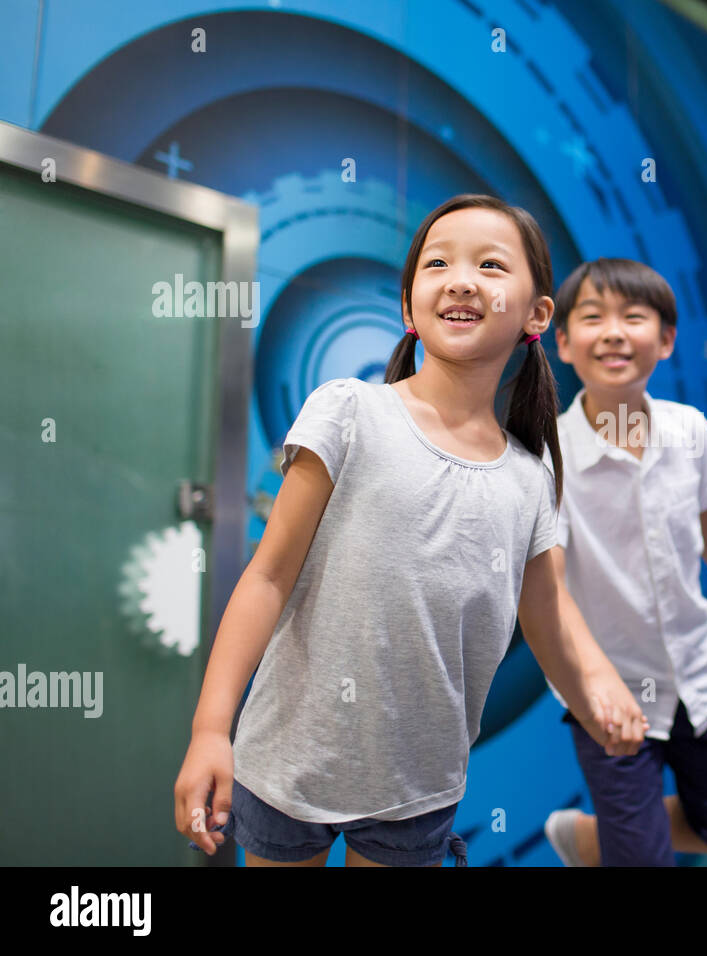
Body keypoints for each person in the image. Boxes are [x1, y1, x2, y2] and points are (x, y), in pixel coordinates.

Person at [173, 196, 648, 868]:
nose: (460, 279)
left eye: (489, 264)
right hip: (288, 762)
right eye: (438, 263)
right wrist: (209, 729)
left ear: (538, 315)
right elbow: (269, 575)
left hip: (417, 790)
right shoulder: (347, 412)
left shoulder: (530, 478)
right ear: (408, 305)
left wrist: (597, 681)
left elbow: (548, 613)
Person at [541, 258, 707, 866]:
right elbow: (550, 589)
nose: (614, 332)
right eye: (592, 318)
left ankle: (598, 839)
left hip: (699, 673)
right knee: (642, 862)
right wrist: (593, 684)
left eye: (634, 317)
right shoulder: (551, 456)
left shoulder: (690, 431)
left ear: (666, 340)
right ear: (563, 342)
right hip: (611, 693)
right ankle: (626, 843)